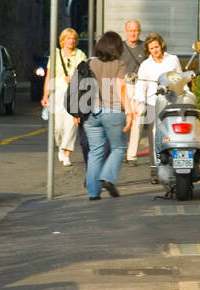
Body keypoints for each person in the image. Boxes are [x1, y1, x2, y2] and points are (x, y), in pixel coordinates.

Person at [76, 30, 131, 199]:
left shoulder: (90, 63)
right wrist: (129, 111)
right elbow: (121, 87)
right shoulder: (119, 64)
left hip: (91, 113)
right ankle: (107, 178)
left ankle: (93, 193)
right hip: (113, 111)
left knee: (95, 152)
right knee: (118, 148)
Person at [135, 32, 182, 169]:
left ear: (161, 45)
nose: (155, 50)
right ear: (148, 50)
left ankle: (175, 165)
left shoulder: (173, 59)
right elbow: (141, 85)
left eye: (156, 47)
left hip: (171, 102)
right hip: (153, 103)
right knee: (154, 135)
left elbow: (180, 79)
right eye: (151, 48)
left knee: (173, 133)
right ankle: (155, 168)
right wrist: (138, 103)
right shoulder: (145, 65)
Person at [41, 27, 86, 165]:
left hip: (74, 94)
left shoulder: (80, 55)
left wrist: (74, 78)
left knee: (71, 125)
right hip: (57, 93)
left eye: (73, 39)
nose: (71, 41)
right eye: (68, 38)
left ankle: (67, 154)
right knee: (57, 127)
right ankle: (61, 147)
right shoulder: (55, 55)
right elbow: (49, 76)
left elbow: (85, 75)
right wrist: (45, 95)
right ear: (63, 40)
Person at [120, 19, 148, 163]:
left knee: (138, 119)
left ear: (139, 31)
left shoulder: (145, 47)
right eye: (130, 30)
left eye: (136, 30)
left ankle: (132, 155)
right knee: (125, 119)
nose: (133, 33)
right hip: (123, 87)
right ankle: (121, 150)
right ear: (126, 31)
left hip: (140, 87)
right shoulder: (120, 47)